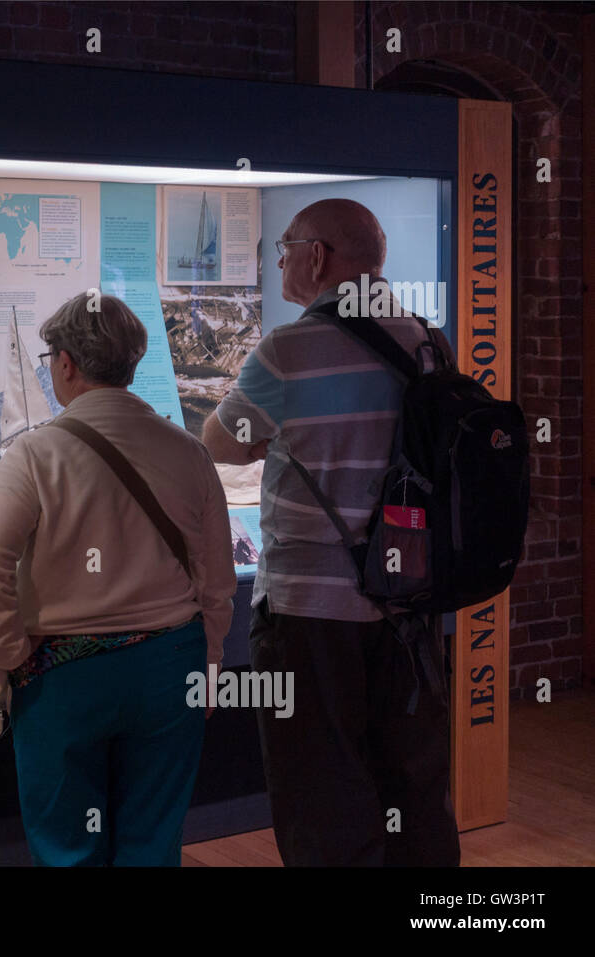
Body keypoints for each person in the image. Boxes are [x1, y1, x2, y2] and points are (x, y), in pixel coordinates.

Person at [202, 198, 460, 866]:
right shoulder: (430, 343)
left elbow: (221, 441)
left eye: (286, 246)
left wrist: (278, 439)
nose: (281, 258)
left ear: (317, 257)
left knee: (320, 785)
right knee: (410, 776)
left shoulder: (288, 348)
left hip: (309, 611)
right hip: (408, 600)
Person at [0, 292, 236, 866]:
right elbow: (217, 577)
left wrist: (10, 651)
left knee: (67, 846)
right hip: (169, 665)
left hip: (63, 673)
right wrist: (208, 664)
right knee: (153, 839)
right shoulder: (188, 451)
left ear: (65, 364)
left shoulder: (34, 455)